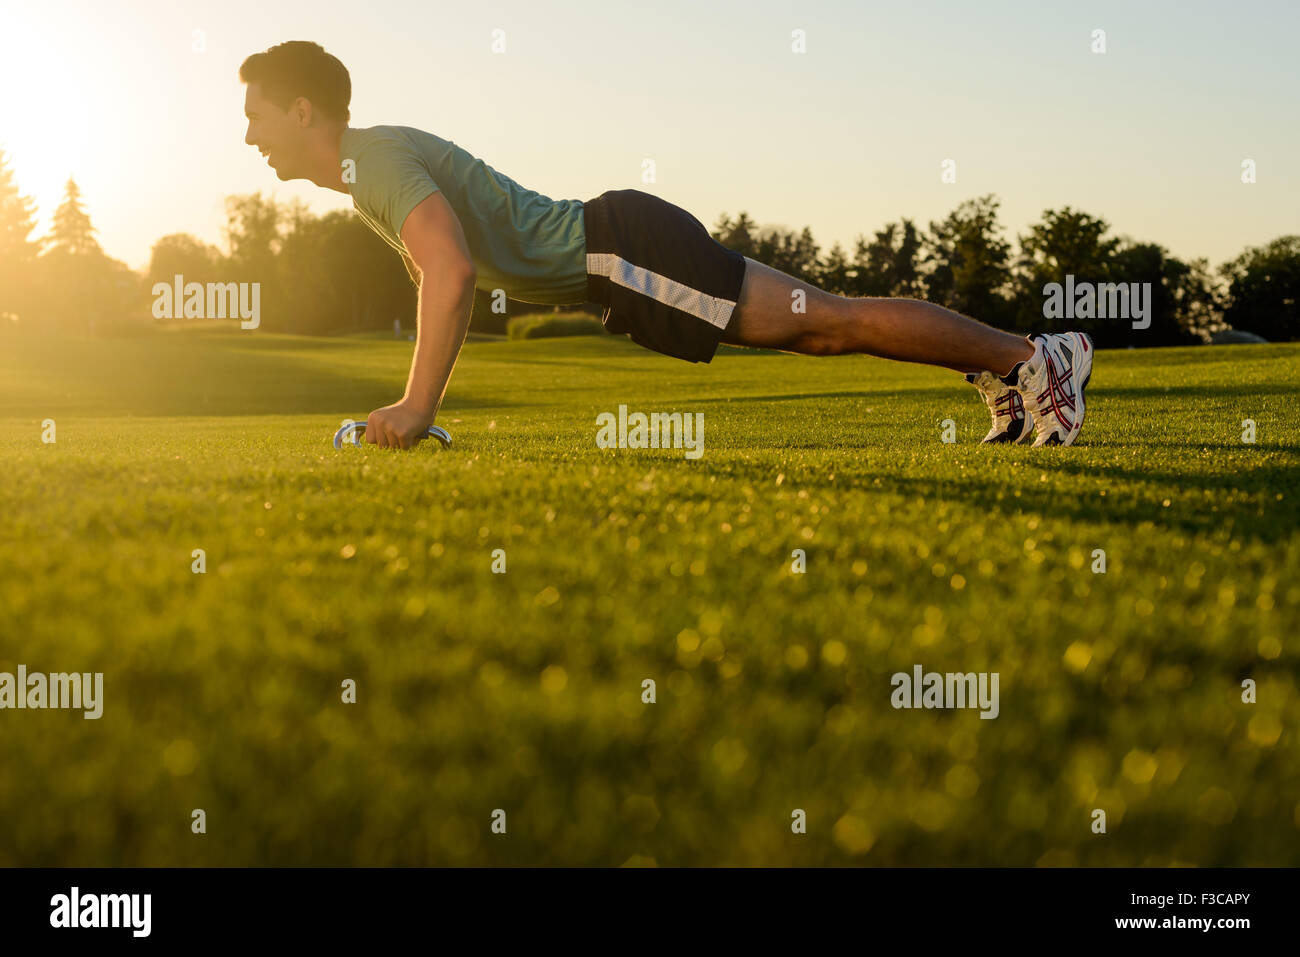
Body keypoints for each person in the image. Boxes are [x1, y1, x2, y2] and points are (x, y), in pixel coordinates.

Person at [240, 41, 1092, 450]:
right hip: (622, 248)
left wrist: (418, 408)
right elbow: (453, 277)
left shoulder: (373, 160)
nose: (250, 137)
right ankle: (1016, 373)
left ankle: (1033, 358)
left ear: (303, 110)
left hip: (618, 251)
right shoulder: (369, 169)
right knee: (826, 321)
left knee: (824, 325)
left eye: (256, 115)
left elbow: (451, 272)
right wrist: (422, 403)